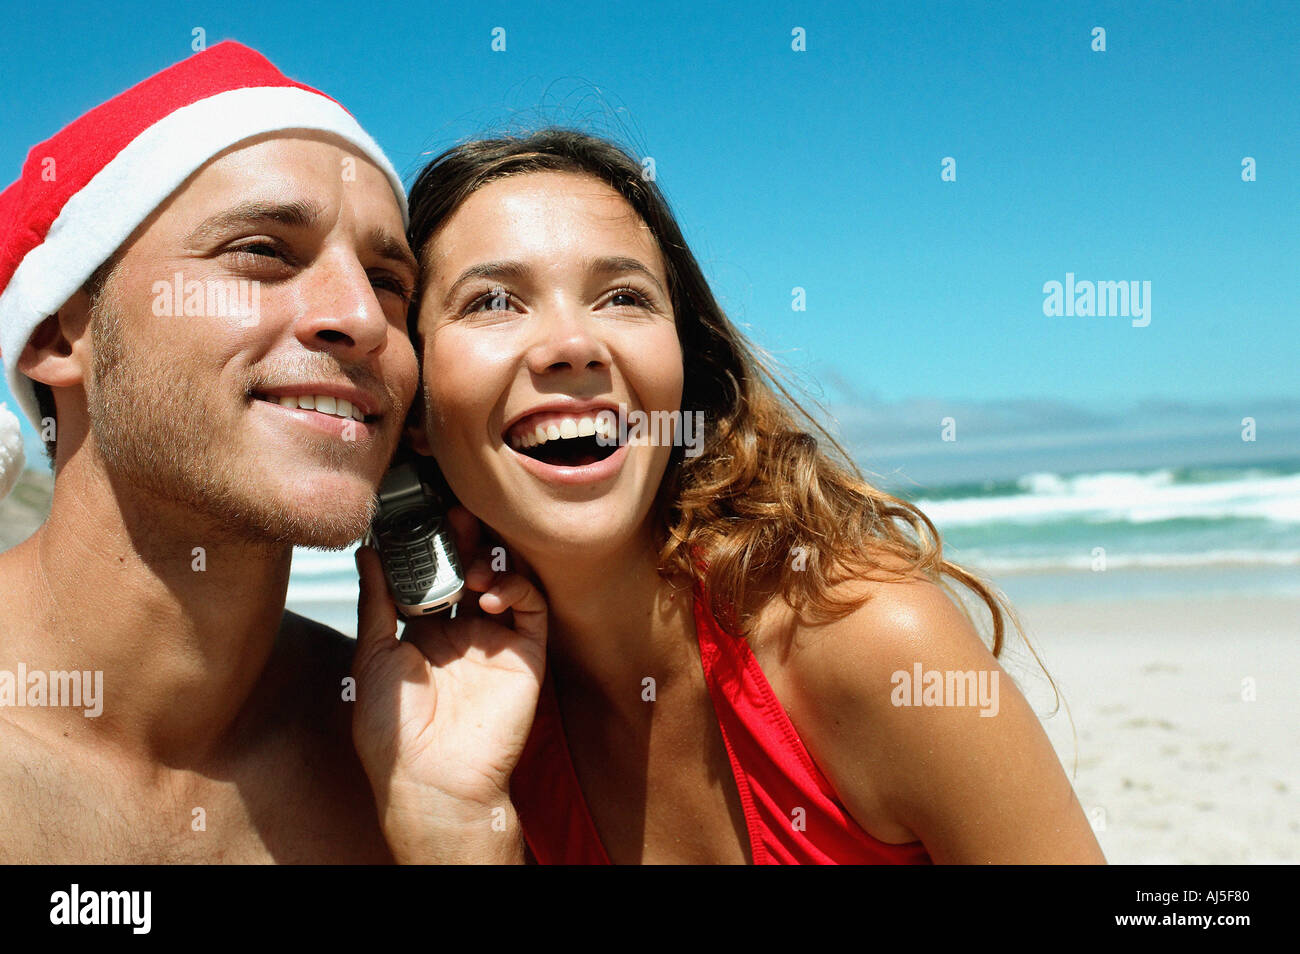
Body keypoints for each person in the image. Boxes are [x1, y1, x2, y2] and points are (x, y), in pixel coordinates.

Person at [399, 128, 1107, 864]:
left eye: (622, 296)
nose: (572, 343)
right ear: (412, 406)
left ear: (685, 371)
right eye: (491, 301)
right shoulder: (461, 726)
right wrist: (451, 825)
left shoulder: (872, 643)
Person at [0, 42, 543, 864]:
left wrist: (458, 841)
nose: (363, 319)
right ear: (54, 334)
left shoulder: (415, 748)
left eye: (390, 281)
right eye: (261, 251)